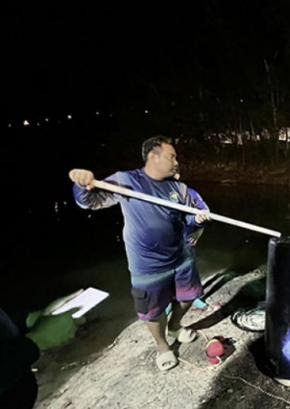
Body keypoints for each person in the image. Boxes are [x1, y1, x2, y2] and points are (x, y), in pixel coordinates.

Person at [69, 136, 212, 371]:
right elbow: (90, 202)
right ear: (153, 156)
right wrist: (82, 183)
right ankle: (163, 346)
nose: (177, 162)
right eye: (172, 156)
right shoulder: (126, 181)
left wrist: (196, 219)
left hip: (181, 257)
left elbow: (188, 217)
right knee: (152, 311)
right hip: (147, 265)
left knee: (188, 297)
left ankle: (175, 326)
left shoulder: (179, 187)